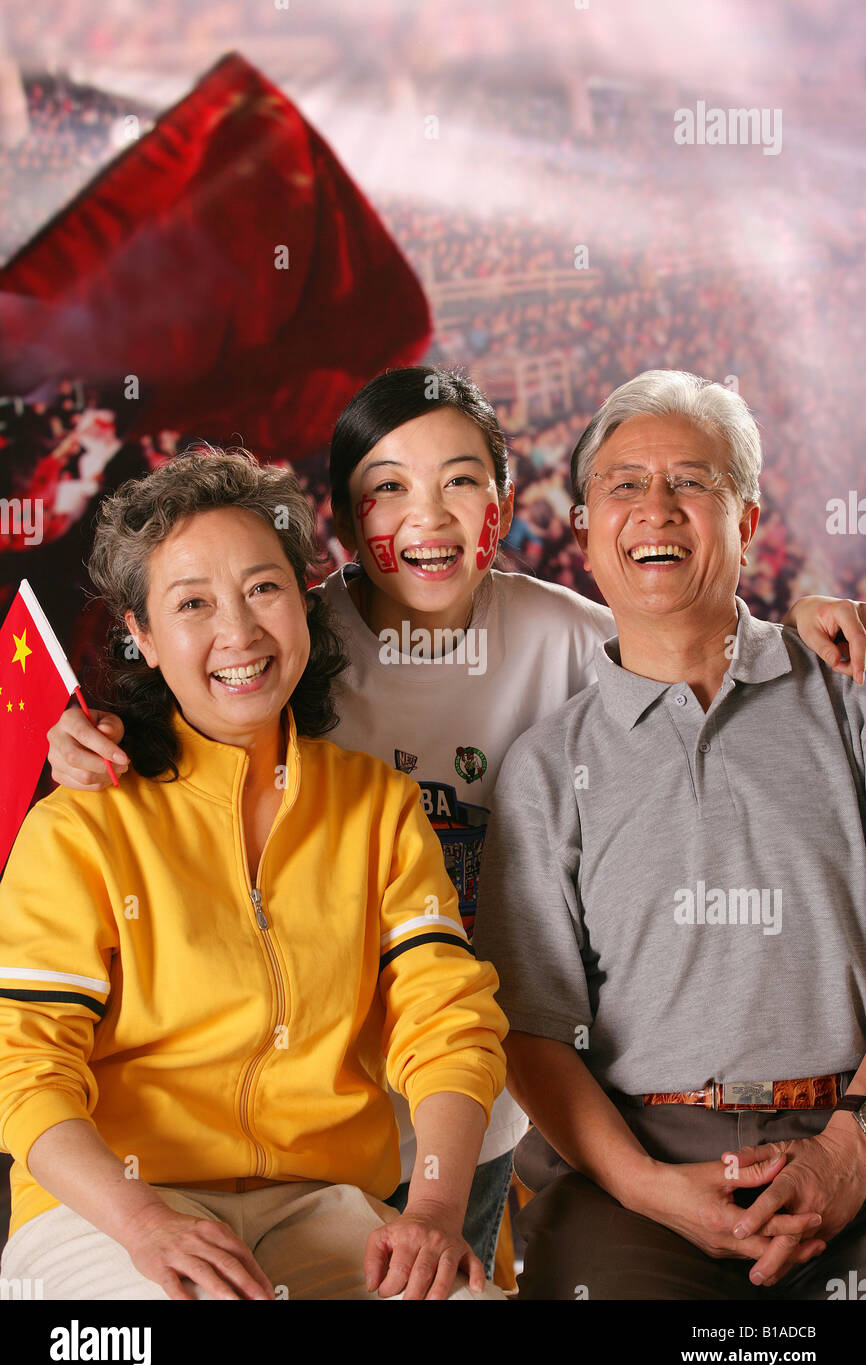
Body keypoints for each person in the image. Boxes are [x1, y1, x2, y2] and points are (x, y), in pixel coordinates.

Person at [38, 365, 866, 1281]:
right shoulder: (280, 635)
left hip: (463, 1084)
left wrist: (796, 635)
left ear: (502, 509)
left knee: (443, 1269)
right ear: (347, 532)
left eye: (460, 482)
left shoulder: (557, 635)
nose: (426, 519)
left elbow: (678, 619)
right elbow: (191, 657)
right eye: (387, 489)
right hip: (322, 1089)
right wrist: (87, 731)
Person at [0, 452, 509, 1301]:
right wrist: (148, 1229)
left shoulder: (377, 807)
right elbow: (26, 1071)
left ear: (304, 604)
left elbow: (447, 1022)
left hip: (325, 1208)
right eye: (192, 603)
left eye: (263, 588)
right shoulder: (81, 819)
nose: (238, 633)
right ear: (146, 637)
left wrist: (434, 1211)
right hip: (105, 1217)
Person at [472, 369, 866, 1300]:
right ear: (582, 533)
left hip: (847, 1128)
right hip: (635, 1169)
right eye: (623, 485)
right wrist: (645, 1185)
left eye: (693, 482)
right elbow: (534, 1030)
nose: (657, 508)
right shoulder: (543, 766)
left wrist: (850, 1149)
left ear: (749, 522)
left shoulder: (846, 697)